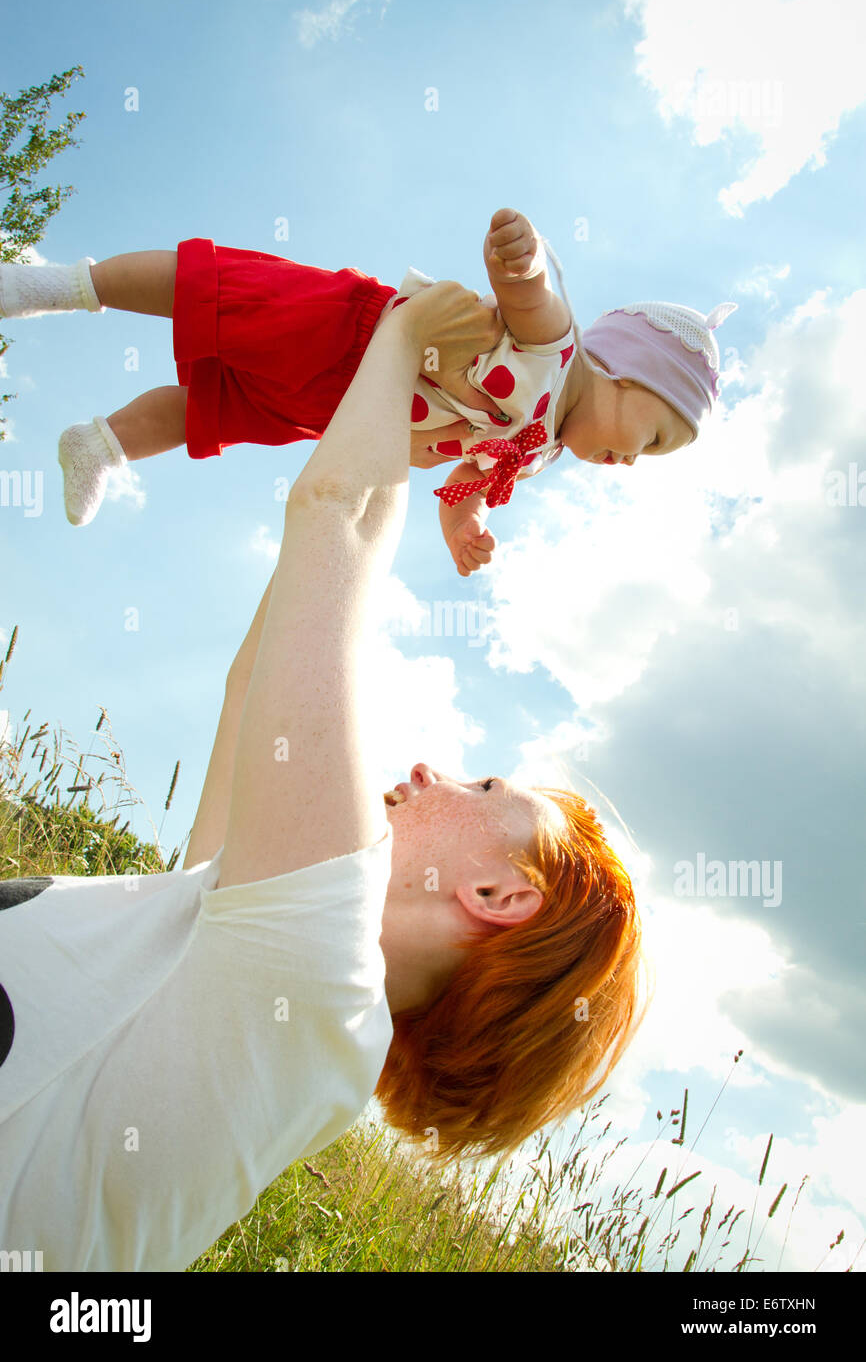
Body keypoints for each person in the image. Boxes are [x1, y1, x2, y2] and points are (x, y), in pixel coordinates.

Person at [0, 280, 646, 1272]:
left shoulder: (317, 973)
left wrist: (400, 343)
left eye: (480, 792)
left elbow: (328, 511)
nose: (432, 768)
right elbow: (255, 679)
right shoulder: (250, 951)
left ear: (496, 896)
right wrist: (411, 422)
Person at [0, 208, 736, 576]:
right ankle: (63, 285)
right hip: (346, 333)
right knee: (216, 292)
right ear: (629, 374)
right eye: (659, 438)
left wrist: (461, 530)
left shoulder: (533, 453)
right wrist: (523, 263)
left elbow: (464, 484)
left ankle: (102, 443)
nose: (638, 462)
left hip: (347, 414)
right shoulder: (559, 351)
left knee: (215, 414)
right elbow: (532, 298)